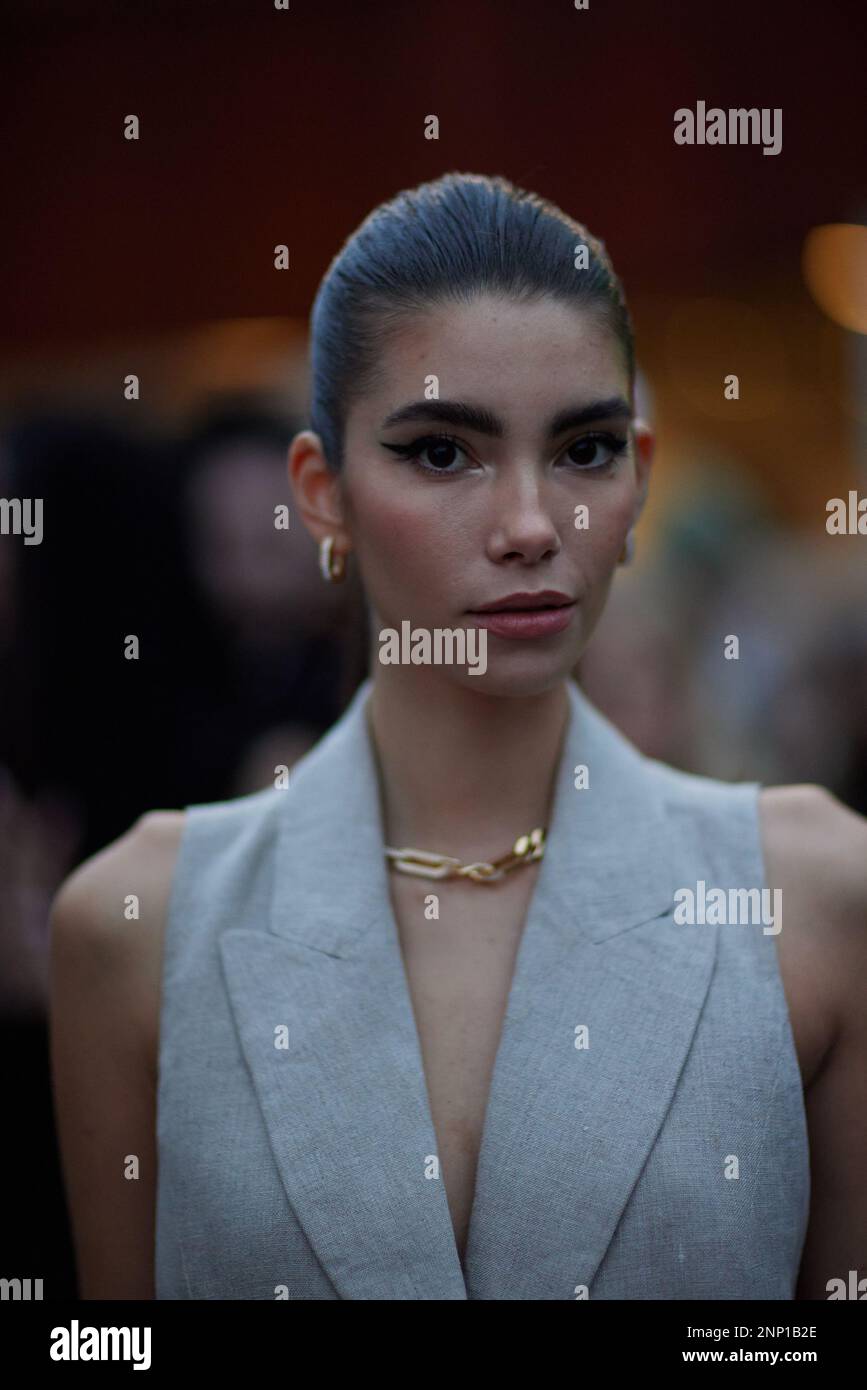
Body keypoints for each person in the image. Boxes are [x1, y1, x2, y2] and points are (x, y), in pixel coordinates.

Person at [49, 172, 867, 1301]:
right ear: (323, 493)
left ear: (642, 478)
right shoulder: (136, 926)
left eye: (584, 449)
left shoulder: (818, 896)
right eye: (442, 452)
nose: (531, 526)